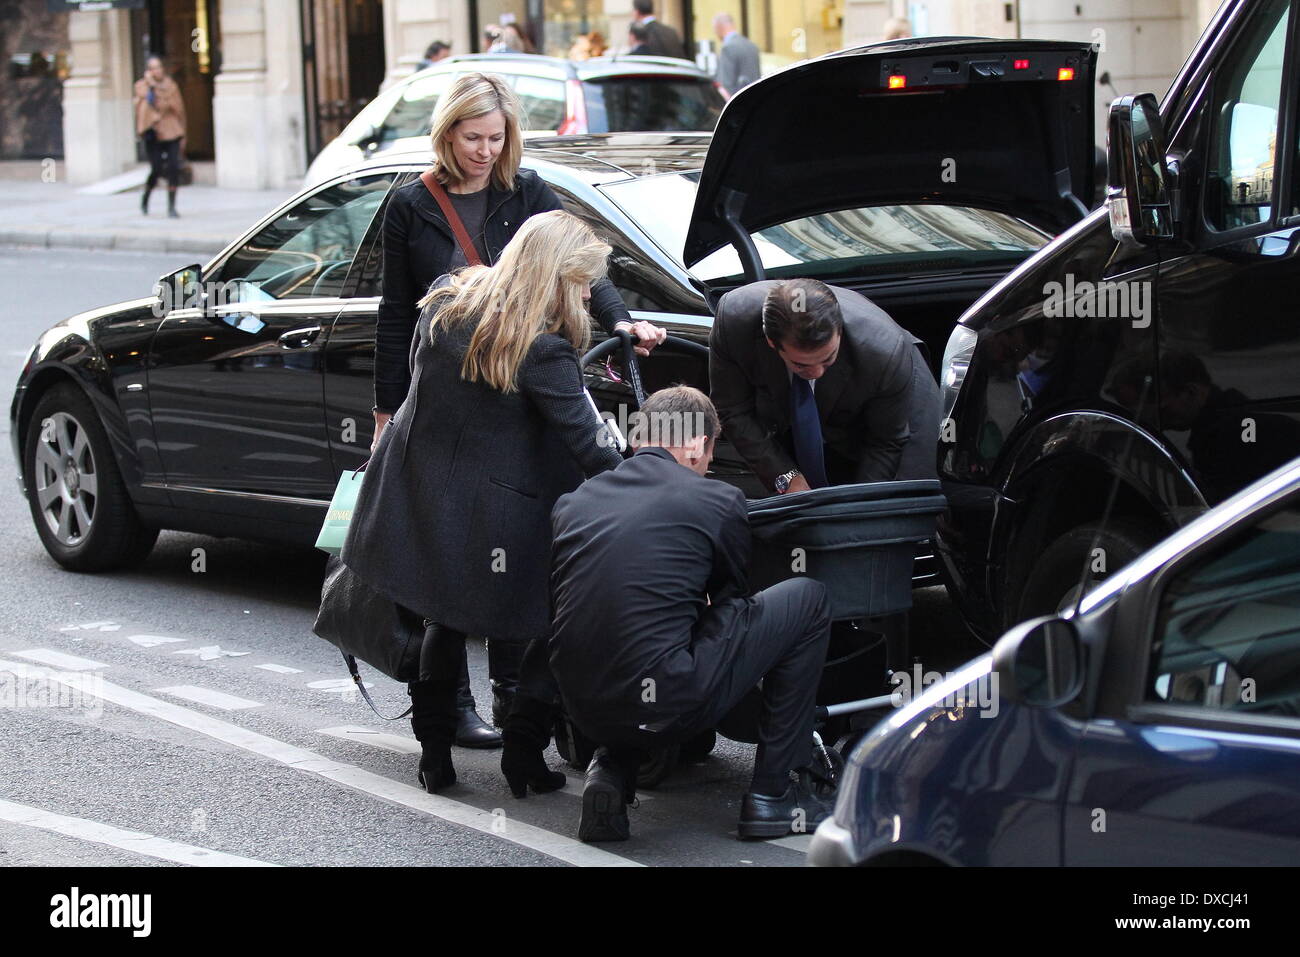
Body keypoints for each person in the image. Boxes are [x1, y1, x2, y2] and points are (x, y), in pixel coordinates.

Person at [371, 72, 666, 747]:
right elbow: (395, 314)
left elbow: (584, 269)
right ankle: (451, 711)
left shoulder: (526, 191)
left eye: (495, 137)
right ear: (447, 134)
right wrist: (387, 409)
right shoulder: (411, 205)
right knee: (450, 564)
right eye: (472, 137)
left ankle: (513, 702)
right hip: (458, 400)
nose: (484, 150)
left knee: (515, 547)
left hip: (523, 395)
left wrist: (622, 324)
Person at [342, 210, 624, 794]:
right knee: (540, 621)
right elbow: (588, 443)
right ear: (555, 278)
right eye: (580, 284)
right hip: (498, 511)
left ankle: (435, 757)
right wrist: (647, 481)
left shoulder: (448, 300)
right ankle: (523, 759)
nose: (585, 297)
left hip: (418, 482)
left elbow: (424, 376)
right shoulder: (544, 351)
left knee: (438, 620)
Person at [550, 386, 834, 841]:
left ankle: (610, 767)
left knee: (631, 633)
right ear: (699, 444)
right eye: (710, 453)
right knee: (807, 598)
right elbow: (732, 608)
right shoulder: (716, 500)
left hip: (580, 709)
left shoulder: (575, 502)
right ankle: (771, 797)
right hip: (669, 701)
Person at [709, 278, 939, 494]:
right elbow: (732, 410)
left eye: (828, 359)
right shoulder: (734, 322)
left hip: (897, 414)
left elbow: (886, 442)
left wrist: (860, 509)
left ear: (839, 332)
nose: (816, 372)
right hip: (806, 423)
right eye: (801, 365)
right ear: (772, 342)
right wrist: (787, 478)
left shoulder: (883, 352)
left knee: (899, 507)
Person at [133, 55, 186, 218]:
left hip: (171, 130)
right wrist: (151, 86)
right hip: (153, 133)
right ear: (148, 71)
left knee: (173, 168)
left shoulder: (171, 86)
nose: (157, 70)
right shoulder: (141, 87)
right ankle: (146, 198)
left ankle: (172, 206)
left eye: (159, 67)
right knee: (156, 168)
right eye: (153, 68)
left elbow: (179, 109)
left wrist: (184, 132)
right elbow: (144, 107)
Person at [712, 13, 761, 98]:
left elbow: (725, 84)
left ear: (719, 27)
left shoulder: (728, 48)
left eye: (715, 30)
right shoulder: (751, 45)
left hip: (738, 102)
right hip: (755, 99)